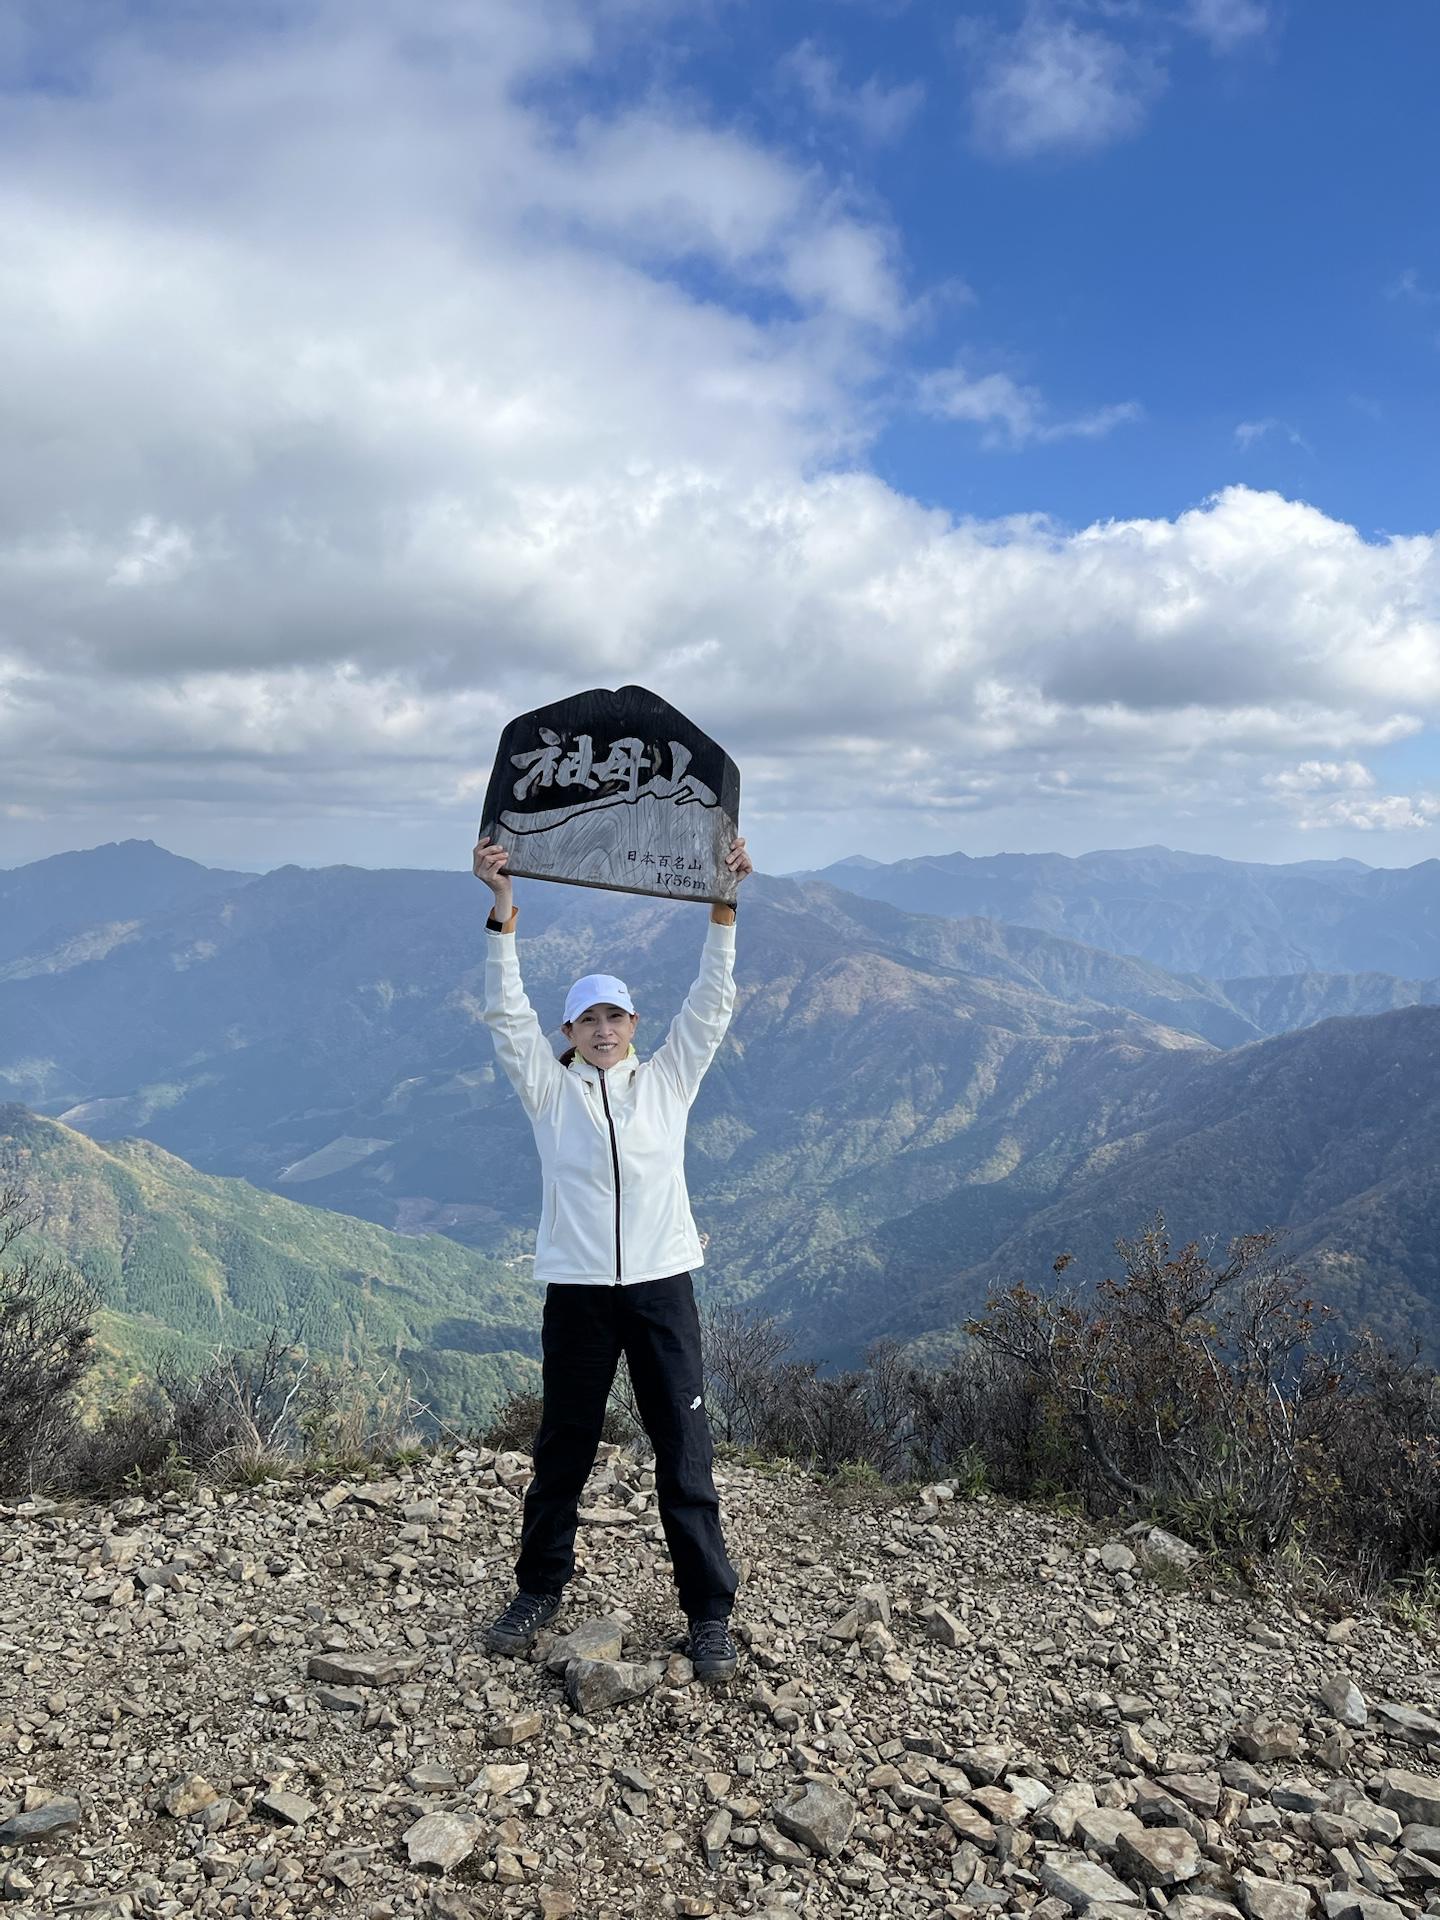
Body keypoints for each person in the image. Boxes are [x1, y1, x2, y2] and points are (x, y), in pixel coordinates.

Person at [471, 829, 753, 1682]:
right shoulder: (546, 1091)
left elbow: (713, 1003)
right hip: (581, 1292)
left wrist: (724, 907)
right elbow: (505, 1013)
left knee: (685, 1452)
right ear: (570, 1029)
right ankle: (538, 1590)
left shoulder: (668, 1083)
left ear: (635, 1024)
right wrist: (501, 913)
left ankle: (707, 1614)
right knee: (565, 1445)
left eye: (615, 1016)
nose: (603, 1029)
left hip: (664, 1286)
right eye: (588, 1018)